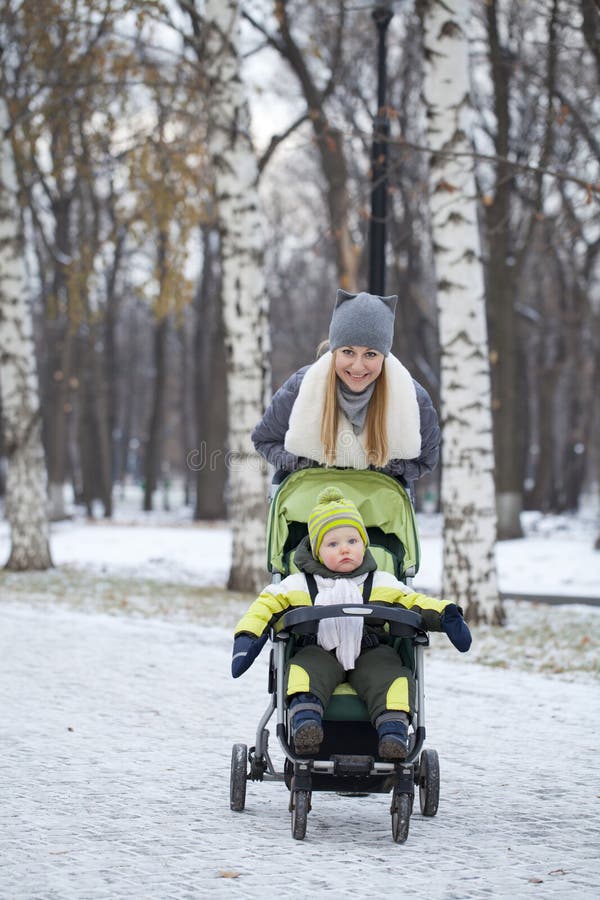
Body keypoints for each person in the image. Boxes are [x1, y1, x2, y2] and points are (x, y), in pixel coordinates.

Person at [231, 487, 471, 760]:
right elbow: (265, 605)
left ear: (364, 544)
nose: (345, 549)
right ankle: (305, 725)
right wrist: (247, 636)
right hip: (318, 647)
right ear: (316, 550)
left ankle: (393, 734)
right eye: (332, 544)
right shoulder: (299, 585)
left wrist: (446, 615)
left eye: (352, 541)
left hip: (371, 649)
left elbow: (413, 601)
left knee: (390, 675)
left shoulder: (380, 581)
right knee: (303, 669)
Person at [251, 289, 440, 490]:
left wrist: (385, 467)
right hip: (311, 506)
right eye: (348, 352)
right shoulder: (301, 387)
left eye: (371, 354)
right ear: (334, 350)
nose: (358, 366)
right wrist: (302, 464)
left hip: (379, 508)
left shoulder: (412, 398)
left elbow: (426, 459)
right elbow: (265, 439)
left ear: (384, 355)